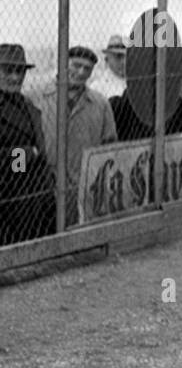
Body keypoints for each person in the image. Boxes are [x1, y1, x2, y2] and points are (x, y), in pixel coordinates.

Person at [34, 46, 118, 227]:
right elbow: (22, 143)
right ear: (63, 64)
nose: (81, 72)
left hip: (83, 185)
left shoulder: (100, 104)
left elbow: (110, 145)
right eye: (76, 65)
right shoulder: (37, 96)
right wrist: (20, 172)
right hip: (43, 185)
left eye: (87, 69)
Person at [0, 44, 56, 244]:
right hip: (7, 198)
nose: (15, 77)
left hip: (34, 198)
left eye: (20, 71)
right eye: (8, 70)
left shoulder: (27, 105)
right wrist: (26, 154)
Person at [90, 35, 128, 101]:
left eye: (126, 57)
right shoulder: (98, 87)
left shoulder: (137, 81)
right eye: (118, 56)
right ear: (107, 60)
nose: (124, 62)